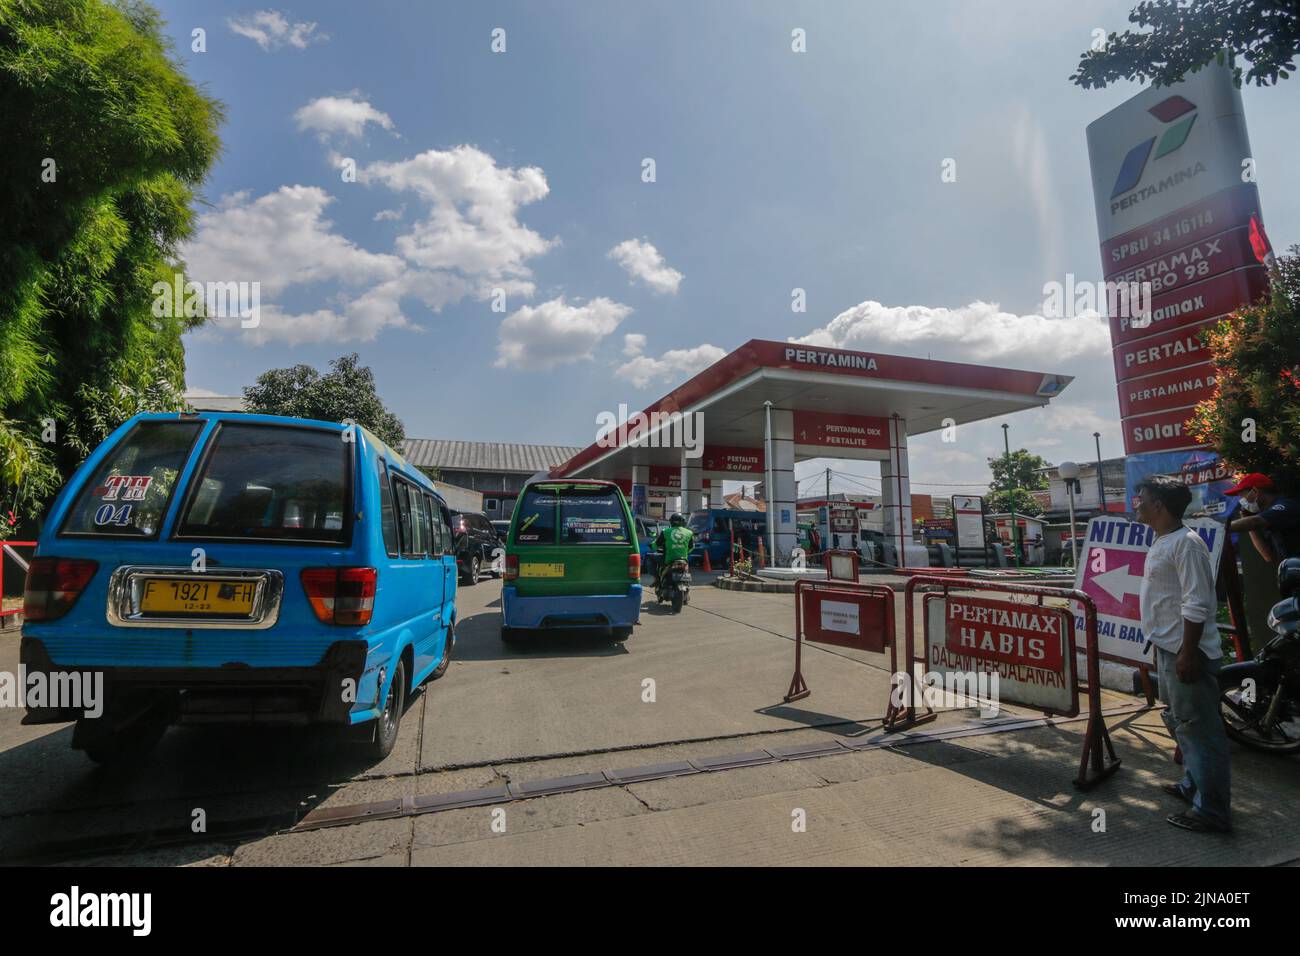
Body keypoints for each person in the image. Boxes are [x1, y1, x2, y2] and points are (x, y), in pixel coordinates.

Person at [1134, 474, 1232, 834]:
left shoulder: (1186, 544)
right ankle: (1193, 785)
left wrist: (1188, 653)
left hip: (1186, 653)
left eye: (1140, 498)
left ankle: (1213, 812)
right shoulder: (1164, 539)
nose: (1137, 503)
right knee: (1182, 725)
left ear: (1158, 504)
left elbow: (1197, 604)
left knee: (1200, 730)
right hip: (1169, 649)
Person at [1222, 472, 1300, 568]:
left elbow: (1255, 521)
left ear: (1255, 491)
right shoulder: (1269, 520)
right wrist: (1247, 519)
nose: (1242, 501)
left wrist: (1218, 526)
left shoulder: (1283, 506)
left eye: (1243, 496)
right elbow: (1268, 556)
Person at [655, 513, 695, 589]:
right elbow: (691, 547)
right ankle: (686, 587)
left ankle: (657, 579)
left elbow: (657, 544)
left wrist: (651, 546)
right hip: (684, 559)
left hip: (669, 560)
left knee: (651, 559)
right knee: (686, 573)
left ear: (671, 522)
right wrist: (685, 552)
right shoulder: (689, 533)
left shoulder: (665, 531)